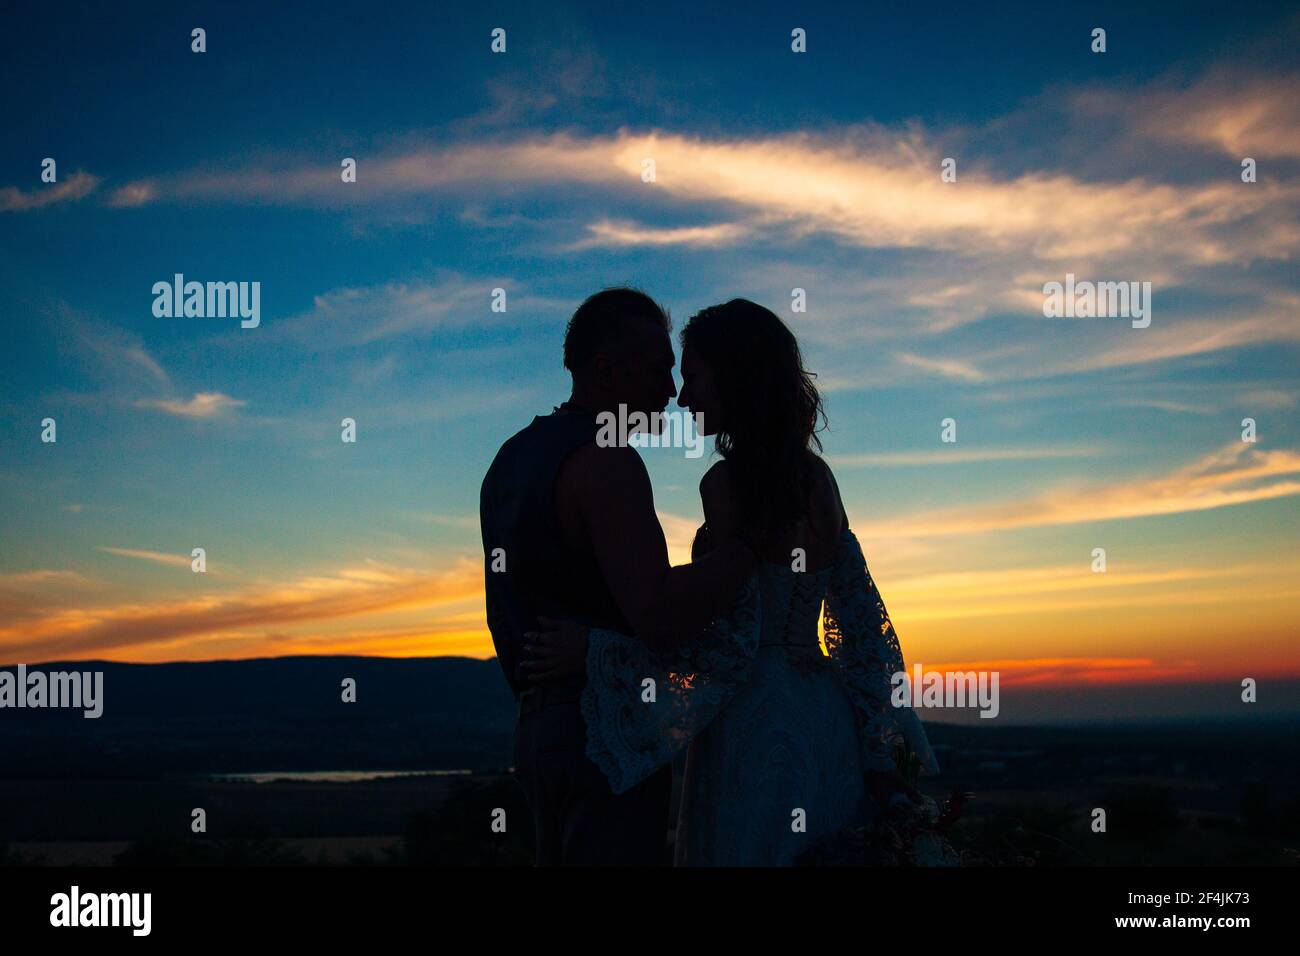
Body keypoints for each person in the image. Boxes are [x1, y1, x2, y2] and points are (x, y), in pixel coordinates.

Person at [524, 298, 939, 865]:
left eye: (694, 378)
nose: (682, 397)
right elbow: (864, 632)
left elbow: (726, 648)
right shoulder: (820, 481)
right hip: (825, 716)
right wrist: (879, 753)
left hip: (752, 724)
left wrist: (597, 653)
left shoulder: (724, 485)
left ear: (735, 379)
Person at [479, 287, 754, 865]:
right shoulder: (609, 462)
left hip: (536, 734)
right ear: (604, 370)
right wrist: (745, 553)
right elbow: (657, 613)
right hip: (604, 739)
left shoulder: (510, 458)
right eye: (657, 370)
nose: (670, 391)